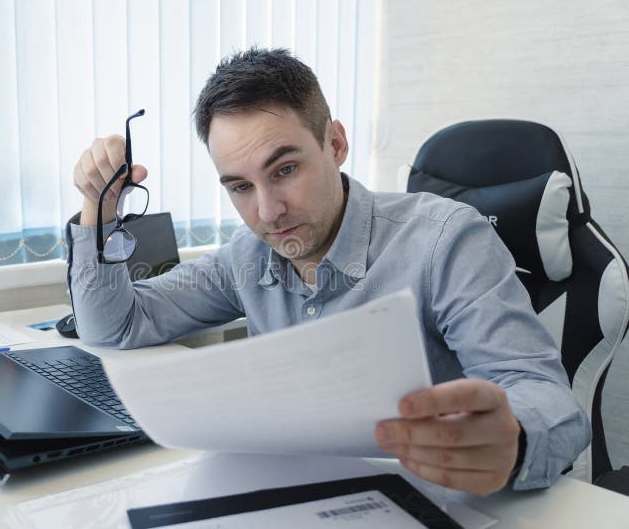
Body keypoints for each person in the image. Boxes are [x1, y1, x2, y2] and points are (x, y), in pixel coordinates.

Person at [66, 48, 589, 496]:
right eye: (240, 187)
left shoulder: (445, 240)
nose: (268, 211)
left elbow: (547, 398)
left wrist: (513, 441)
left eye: (285, 169)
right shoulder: (247, 258)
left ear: (335, 145)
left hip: (434, 500)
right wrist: (99, 209)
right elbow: (116, 324)